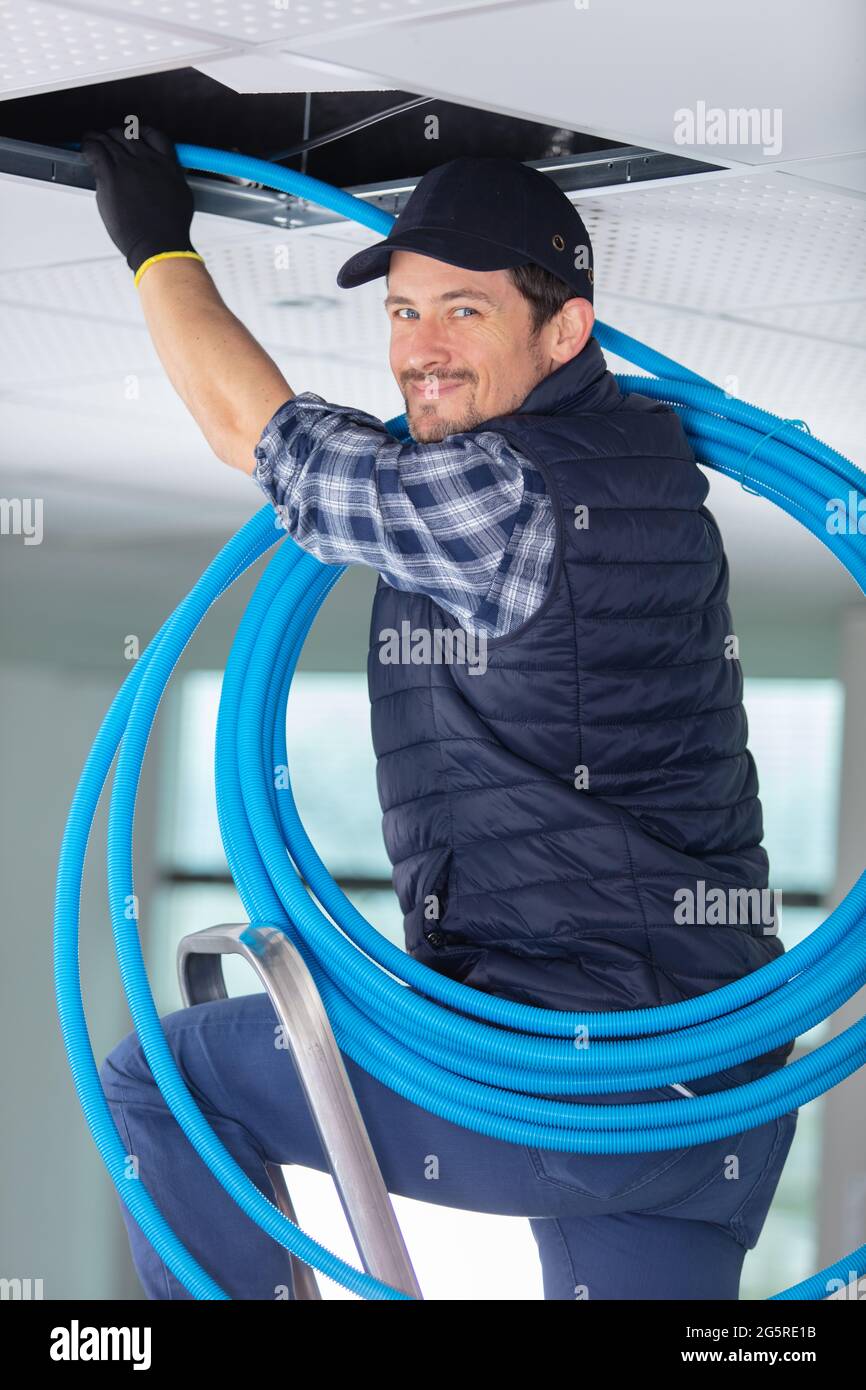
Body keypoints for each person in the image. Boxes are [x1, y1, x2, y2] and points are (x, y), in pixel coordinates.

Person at [83, 126, 797, 1301]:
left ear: (565, 329)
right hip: (706, 1099)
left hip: (559, 1085)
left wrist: (157, 246)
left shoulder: (507, 494)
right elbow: (370, 483)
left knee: (164, 1075)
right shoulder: (639, 467)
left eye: (461, 312)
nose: (419, 348)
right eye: (403, 312)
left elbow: (256, 439)